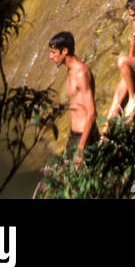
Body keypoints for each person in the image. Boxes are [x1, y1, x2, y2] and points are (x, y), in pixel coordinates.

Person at [102, 0, 135, 130]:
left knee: (122, 60)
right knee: (118, 93)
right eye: (130, 15)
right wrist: (130, 62)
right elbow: (133, 41)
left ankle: (133, 97)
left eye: (134, 14)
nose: (132, 18)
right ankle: (106, 131)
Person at [47, 30, 97, 167]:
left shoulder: (81, 73)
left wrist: (81, 148)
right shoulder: (70, 70)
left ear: (64, 51)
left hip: (84, 137)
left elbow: (92, 113)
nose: (50, 57)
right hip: (74, 135)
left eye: (53, 52)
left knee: (82, 176)